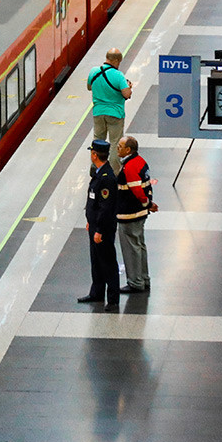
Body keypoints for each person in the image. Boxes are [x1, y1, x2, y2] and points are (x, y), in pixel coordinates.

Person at [78, 139, 120, 309]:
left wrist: (100, 230)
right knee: (96, 260)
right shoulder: (99, 173)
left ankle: (113, 300)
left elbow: (106, 208)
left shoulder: (106, 178)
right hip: (95, 225)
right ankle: (97, 292)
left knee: (107, 262)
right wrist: (91, 222)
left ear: (94, 155)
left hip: (103, 229)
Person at [116, 135, 157, 294]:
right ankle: (144, 278)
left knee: (131, 249)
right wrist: (149, 204)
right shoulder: (141, 162)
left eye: (120, 146)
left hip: (129, 214)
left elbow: (137, 191)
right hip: (140, 213)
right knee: (139, 246)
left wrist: (147, 204)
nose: (117, 148)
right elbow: (146, 188)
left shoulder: (130, 166)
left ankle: (135, 282)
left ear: (128, 150)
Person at [88, 48, 132, 172]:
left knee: (97, 141)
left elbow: (89, 87)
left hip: (98, 112)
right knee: (115, 144)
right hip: (115, 114)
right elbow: (126, 94)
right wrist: (129, 87)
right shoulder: (118, 75)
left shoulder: (94, 71)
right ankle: (113, 172)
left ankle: (96, 168)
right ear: (117, 60)